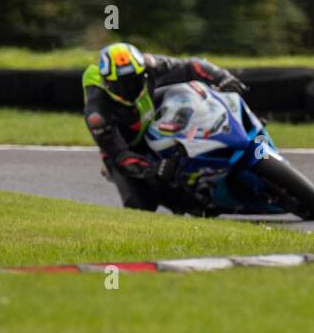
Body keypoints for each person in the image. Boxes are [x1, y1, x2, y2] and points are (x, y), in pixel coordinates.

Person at [83, 42, 247, 212]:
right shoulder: (97, 114)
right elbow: (121, 155)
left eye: (134, 80)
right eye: (122, 84)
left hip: (149, 112)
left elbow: (191, 65)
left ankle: (223, 137)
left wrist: (222, 77)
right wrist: (152, 169)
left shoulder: (150, 65)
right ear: (108, 83)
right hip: (126, 143)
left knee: (188, 94)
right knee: (141, 207)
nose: (129, 88)